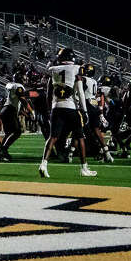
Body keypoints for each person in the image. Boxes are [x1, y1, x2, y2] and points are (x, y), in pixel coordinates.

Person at [38, 48, 97, 179]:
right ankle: (84, 168)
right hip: (71, 107)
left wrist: (50, 109)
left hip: (56, 107)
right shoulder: (77, 69)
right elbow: (80, 92)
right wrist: (85, 111)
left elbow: (48, 93)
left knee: (52, 137)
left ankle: (43, 164)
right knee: (80, 137)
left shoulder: (53, 70)